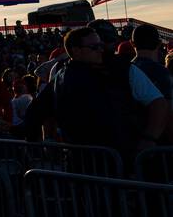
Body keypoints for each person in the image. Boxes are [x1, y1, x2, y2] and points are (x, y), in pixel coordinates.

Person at [48, 25, 168, 163]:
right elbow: (43, 110)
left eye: (102, 44)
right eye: (95, 47)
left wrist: (149, 139)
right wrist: (48, 140)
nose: (101, 49)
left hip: (123, 159)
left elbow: (160, 104)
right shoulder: (61, 75)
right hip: (83, 162)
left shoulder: (124, 69)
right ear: (76, 50)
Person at [131, 24, 172, 142]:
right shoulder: (161, 73)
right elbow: (168, 112)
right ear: (159, 44)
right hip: (158, 141)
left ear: (132, 43)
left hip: (136, 139)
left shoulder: (128, 70)